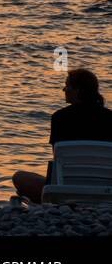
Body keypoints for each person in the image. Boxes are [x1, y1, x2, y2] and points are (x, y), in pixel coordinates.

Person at [12, 68, 112, 202]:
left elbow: (57, 156)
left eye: (67, 86)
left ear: (78, 90)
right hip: (106, 192)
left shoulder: (59, 117)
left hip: (65, 191)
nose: (63, 90)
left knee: (19, 177)